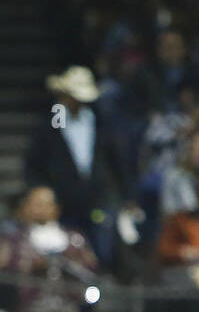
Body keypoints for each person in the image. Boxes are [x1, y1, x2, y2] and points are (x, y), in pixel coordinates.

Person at [24, 66, 128, 265]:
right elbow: (34, 162)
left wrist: (124, 194)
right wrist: (42, 191)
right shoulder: (51, 123)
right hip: (63, 204)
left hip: (97, 199)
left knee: (103, 251)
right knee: (67, 254)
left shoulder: (99, 121)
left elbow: (116, 159)